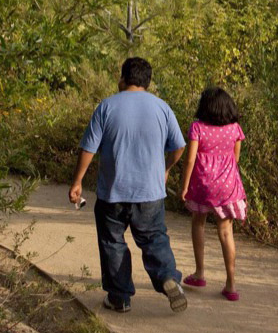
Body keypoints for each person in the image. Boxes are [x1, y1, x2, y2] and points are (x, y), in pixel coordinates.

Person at [69, 57, 188, 314]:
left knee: (113, 242)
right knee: (154, 238)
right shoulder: (162, 108)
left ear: (123, 78)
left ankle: (119, 297)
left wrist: (77, 180)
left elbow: (89, 148)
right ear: (148, 81)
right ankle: (168, 277)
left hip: (113, 193)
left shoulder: (107, 107)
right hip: (150, 193)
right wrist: (165, 169)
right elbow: (179, 146)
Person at [178, 86, 246, 301]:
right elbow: (235, 159)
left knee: (198, 222)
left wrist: (184, 187)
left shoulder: (197, 128)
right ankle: (231, 285)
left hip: (203, 183)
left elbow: (190, 160)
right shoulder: (234, 128)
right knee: (226, 231)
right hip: (227, 185)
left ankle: (199, 274)